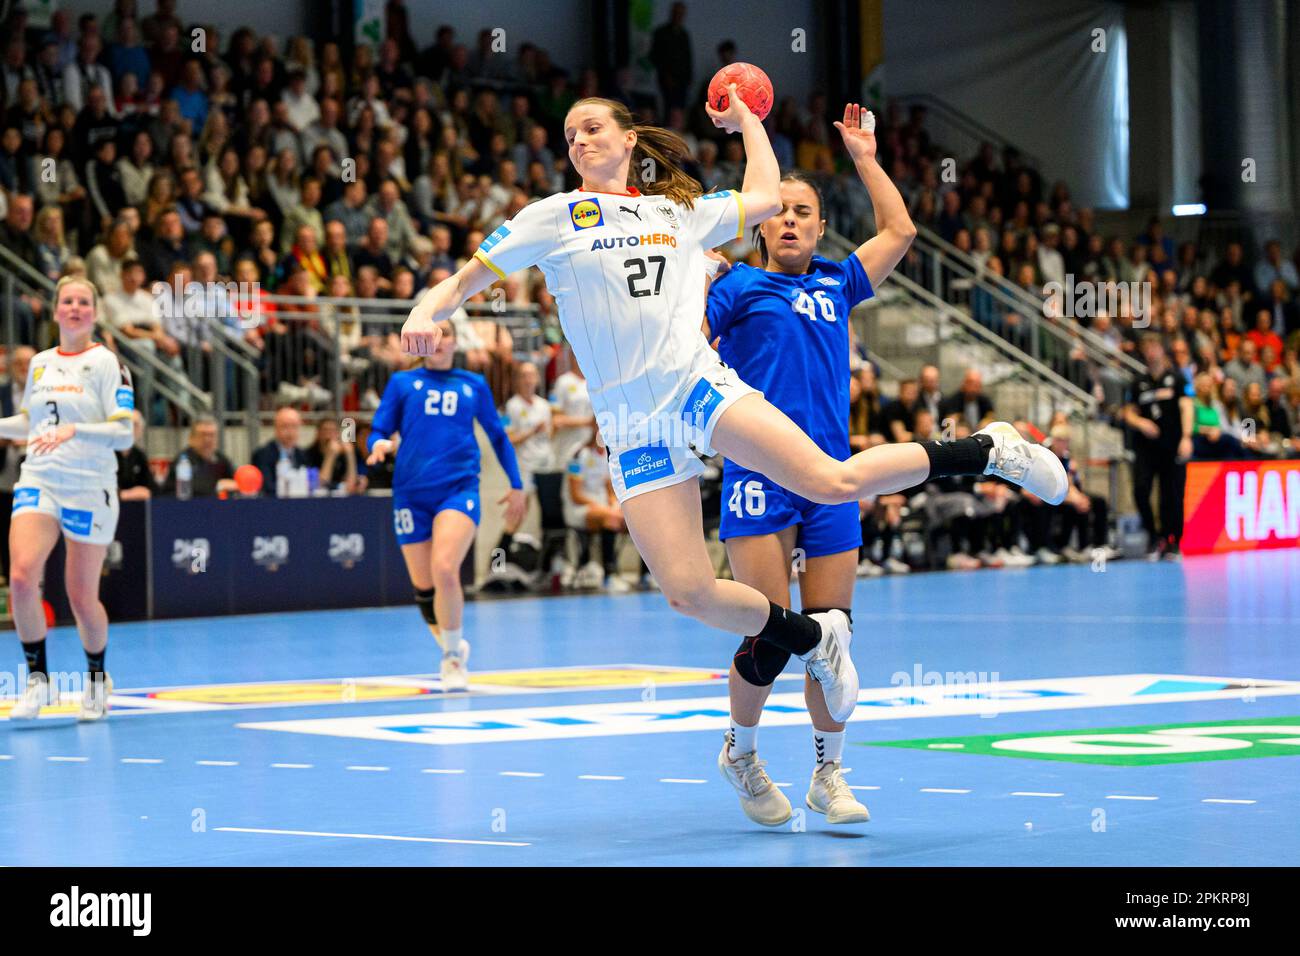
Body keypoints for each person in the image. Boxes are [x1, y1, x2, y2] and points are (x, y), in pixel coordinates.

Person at [399, 93, 1067, 725]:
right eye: (571, 135)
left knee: (828, 479)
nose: (580, 140)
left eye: (593, 128)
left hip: (696, 385)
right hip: (632, 425)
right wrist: (427, 308)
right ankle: (813, 639)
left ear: (629, 140)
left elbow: (765, 196)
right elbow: (466, 278)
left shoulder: (678, 213)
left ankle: (991, 451)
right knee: (689, 592)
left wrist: (748, 120)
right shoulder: (554, 216)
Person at [702, 102, 915, 828]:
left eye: (804, 212)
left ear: (821, 227)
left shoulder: (837, 282)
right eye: (779, 211)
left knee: (833, 634)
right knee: (770, 631)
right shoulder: (733, 290)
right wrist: (693, 277)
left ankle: (830, 772)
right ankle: (742, 752)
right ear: (760, 224)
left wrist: (862, 155)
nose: (790, 220)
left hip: (831, 477)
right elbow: (686, 345)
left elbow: (901, 231)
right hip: (759, 475)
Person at [0, 276, 135, 721]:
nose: (75, 308)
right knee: (21, 578)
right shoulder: (39, 363)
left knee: (81, 596)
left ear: (93, 313)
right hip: (41, 477)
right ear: (55, 310)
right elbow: (30, 423)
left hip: (89, 483)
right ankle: (39, 681)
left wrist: (75, 430)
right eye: (67, 301)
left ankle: (97, 680)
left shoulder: (107, 364)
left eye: (83, 302)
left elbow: (123, 433)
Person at [366, 322, 526, 690]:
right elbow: (378, 430)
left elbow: (498, 436)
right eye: (431, 336)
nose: (438, 342)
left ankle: (452, 658)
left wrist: (516, 485)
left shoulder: (474, 384)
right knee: (424, 589)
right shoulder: (403, 384)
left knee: (444, 568)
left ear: (455, 341)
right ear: (421, 343)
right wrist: (378, 444)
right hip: (410, 493)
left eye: (445, 335)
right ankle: (452, 642)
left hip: (458, 488)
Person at [1124, 335, 1193, 560]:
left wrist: (1186, 437)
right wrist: (1140, 423)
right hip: (1146, 448)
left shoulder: (1177, 378)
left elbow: (1186, 407)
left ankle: (1172, 541)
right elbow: (1128, 413)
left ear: (1162, 350)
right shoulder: (1138, 382)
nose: (1152, 352)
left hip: (1171, 446)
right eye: (1147, 348)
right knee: (1140, 489)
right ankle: (1154, 537)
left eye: (1155, 347)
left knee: (1171, 495)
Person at [251, 406, 310, 497]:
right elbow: (267, 487)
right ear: (276, 429)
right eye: (285, 426)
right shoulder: (263, 455)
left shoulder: (302, 454)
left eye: (294, 426)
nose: (290, 432)